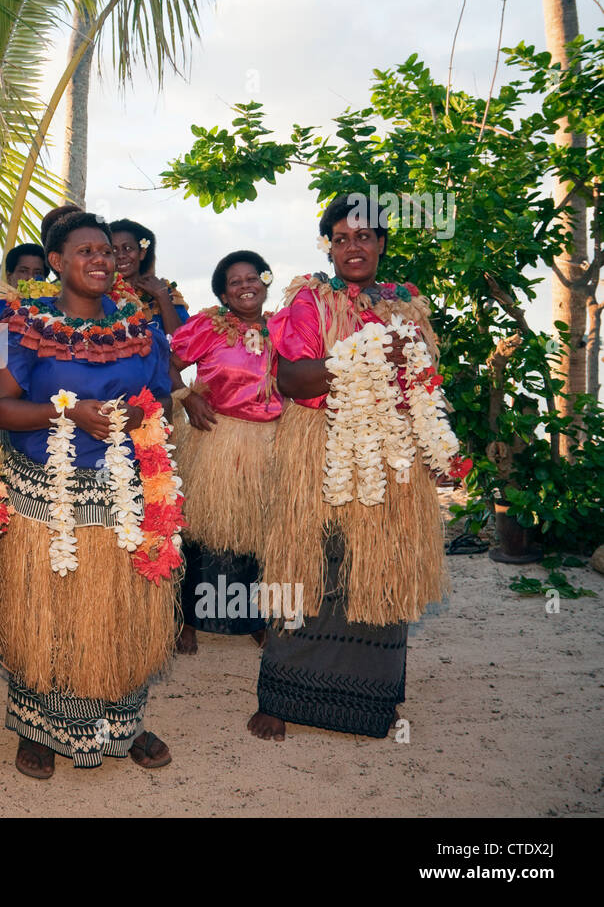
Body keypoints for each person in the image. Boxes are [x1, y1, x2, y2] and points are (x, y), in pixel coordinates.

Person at [0, 211, 180, 778]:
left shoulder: (140, 327)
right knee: (47, 609)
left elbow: (162, 401)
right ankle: (37, 728)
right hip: (46, 491)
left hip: (125, 488)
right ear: (56, 262)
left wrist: (133, 414)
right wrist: (67, 412)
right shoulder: (20, 326)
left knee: (120, 608)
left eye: (106, 252)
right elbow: (0, 407)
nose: (101, 260)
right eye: (85, 251)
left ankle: (124, 722)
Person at [250, 194, 448, 741]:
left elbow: (421, 386)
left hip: (391, 453)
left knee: (378, 566)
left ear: (382, 243)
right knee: (310, 564)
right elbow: (294, 379)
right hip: (319, 447)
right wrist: (365, 356)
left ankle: (369, 703)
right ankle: (281, 696)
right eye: (341, 238)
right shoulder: (309, 301)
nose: (352, 246)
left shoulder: (405, 304)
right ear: (328, 246)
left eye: (363, 236)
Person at [170, 250, 281, 655]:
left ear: (265, 283)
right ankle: (187, 618)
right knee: (204, 531)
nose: (246, 286)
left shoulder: (281, 328)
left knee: (258, 531)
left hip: (269, 441)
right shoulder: (209, 326)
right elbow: (167, 363)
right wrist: (186, 398)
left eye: (253, 277)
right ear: (222, 293)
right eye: (235, 281)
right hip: (217, 437)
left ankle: (253, 619)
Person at [109, 219, 186, 331]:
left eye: (128, 248)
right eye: (113, 250)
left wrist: (162, 297)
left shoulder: (165, 291)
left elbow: (182, 340)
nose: (121, 255)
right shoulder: (102, 295)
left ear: (142, 253)